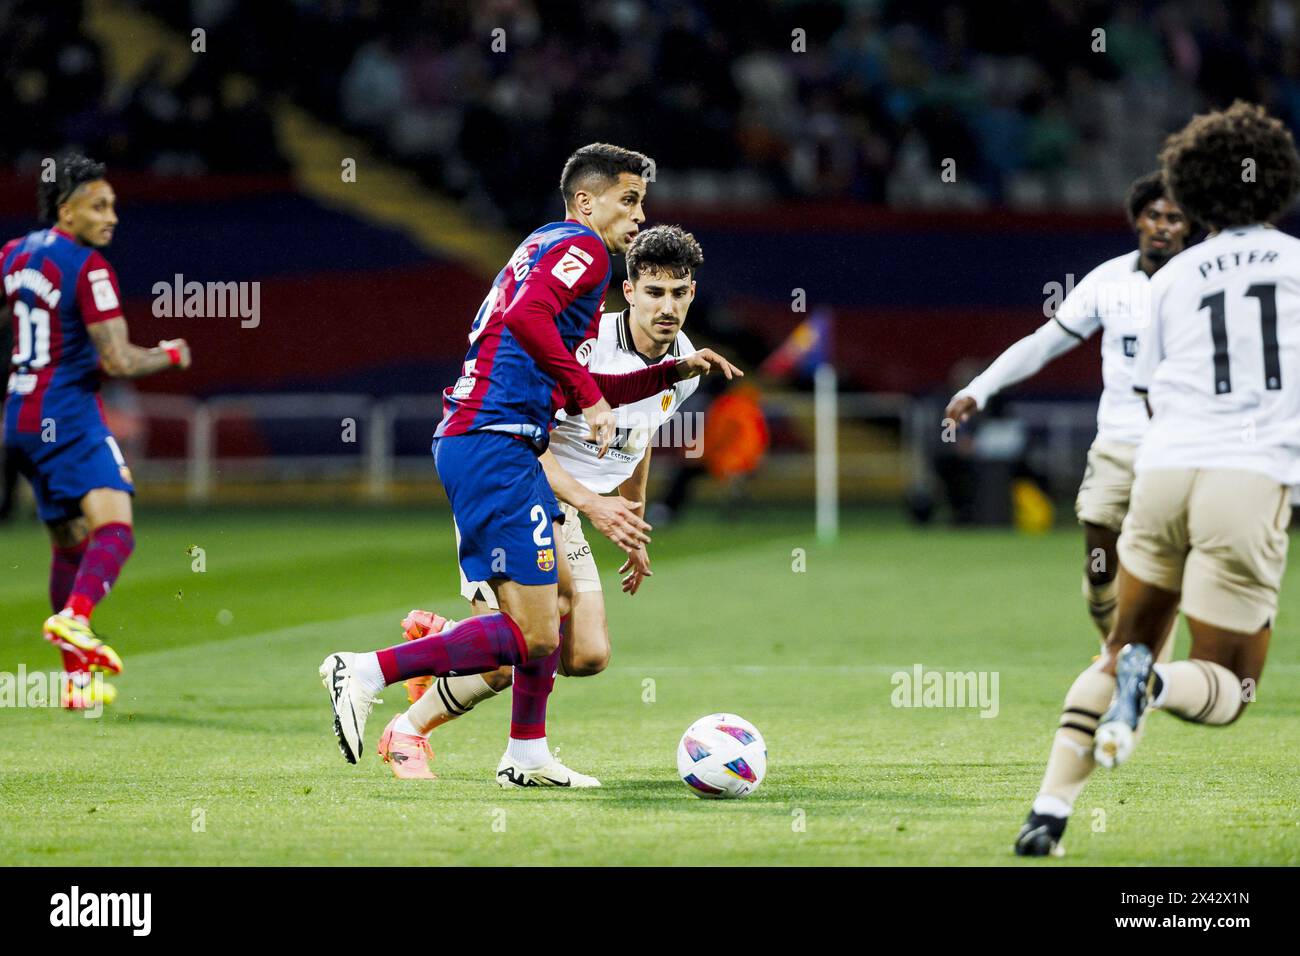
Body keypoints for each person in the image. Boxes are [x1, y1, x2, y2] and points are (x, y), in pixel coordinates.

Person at [320, 145, 741, 785]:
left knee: (558, 631)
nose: (637, 215)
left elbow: (570, 371)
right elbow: (528, 322)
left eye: (641, 201)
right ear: (585, 202)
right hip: (503, 444)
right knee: (531, 638)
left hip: (495, 441)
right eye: (627, 200)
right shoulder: (586, 251)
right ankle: (374, 671)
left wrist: (670, 373)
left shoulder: (548, 245)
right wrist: (596, 414)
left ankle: (526, 753)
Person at [1015, 101, 1300, 857]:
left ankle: (1048, 812)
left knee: (1116, 649)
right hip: (1248, 477)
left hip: (1164, 471)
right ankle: (1157, 686)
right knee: (1226, 688)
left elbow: (1153, 388)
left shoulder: (1172, 279)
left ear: (1193, 189)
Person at [376, 224, 706, 785]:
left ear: (692, 293)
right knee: (520, 653)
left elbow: (641, 435)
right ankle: (408, 729)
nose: (667, 305)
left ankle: (451, 639)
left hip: (576, 507)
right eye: (654, 292)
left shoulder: (684, 366)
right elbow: (532, 437)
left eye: (678, 292)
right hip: (526, 487)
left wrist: (634, 514)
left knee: (586, 656)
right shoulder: (584, 343)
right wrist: (589, 504)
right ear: (629, 292)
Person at [946, 172, 1194, 648]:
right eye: (1154, 215)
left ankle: (1144, 666)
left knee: (1166, 559)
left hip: (1181, 444)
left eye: (1175, 217)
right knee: (1100, 551)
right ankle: (1115, 641)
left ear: (1189, 226)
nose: (1162, 225)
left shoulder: (1201, 283)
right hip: (1118, 441)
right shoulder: (1109, 280)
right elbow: (1045, 343)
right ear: (1138, 219)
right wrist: (981, 388)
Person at [1, 153, 191, 709]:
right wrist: (171, 354)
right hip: (69, 415)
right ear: (67, 210)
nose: (111, 217)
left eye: (113, 206)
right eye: (98, 206)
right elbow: (121, 361)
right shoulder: (88, 267)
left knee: (67, 545)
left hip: (19, 418)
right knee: (116, 529)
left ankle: (75, 683)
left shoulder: (14, 254)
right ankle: (77, 617)